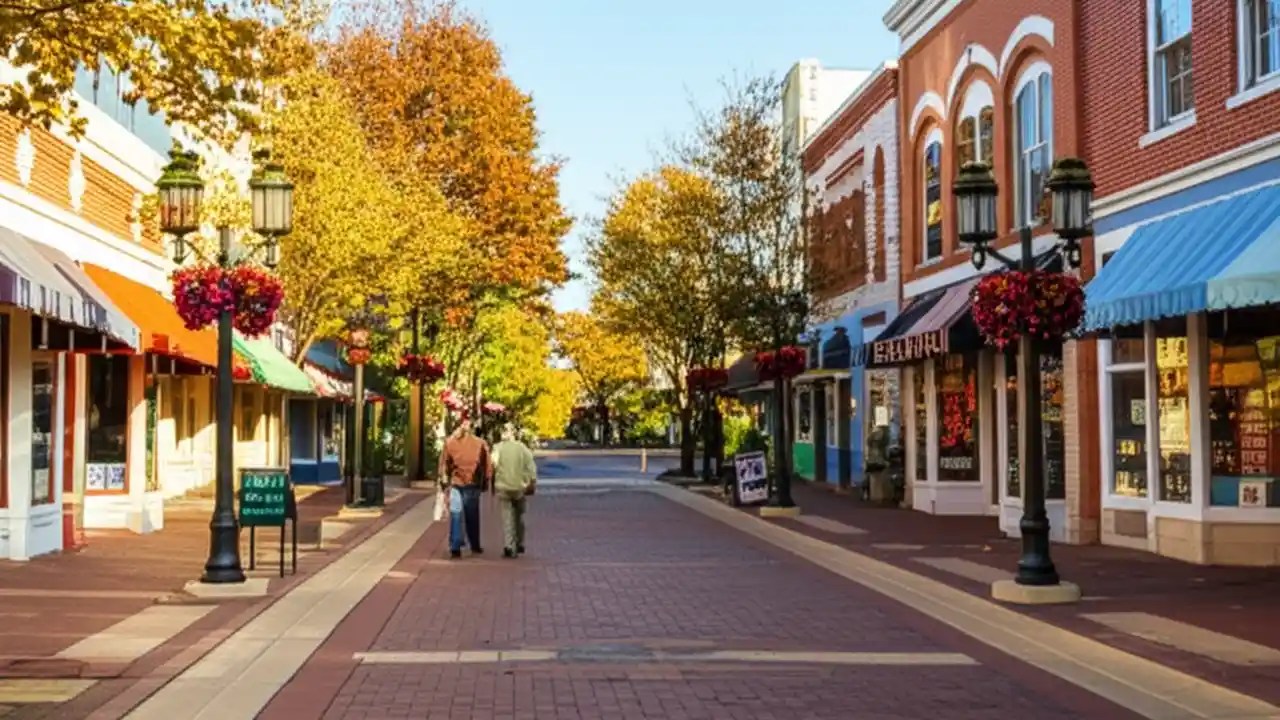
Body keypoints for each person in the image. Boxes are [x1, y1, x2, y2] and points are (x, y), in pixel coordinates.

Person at [441, 415, 491, 558]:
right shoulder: (480, 443)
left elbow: (444, 463)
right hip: (473, 483)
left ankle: (455, 545)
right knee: (472, 515)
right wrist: (487, 480)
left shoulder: (449, 442)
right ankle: (474, 544)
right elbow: (487, 465)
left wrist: (443, 481)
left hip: (456, 482)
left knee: (456, 514)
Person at [491, 423, 536, 558]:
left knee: (507, 517)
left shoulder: (498, 448)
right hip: (520, 487)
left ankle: (509, 546)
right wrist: (532, 481)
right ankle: (520, 542)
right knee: (519, 516)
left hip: (503, 486)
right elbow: (531, 467)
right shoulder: (522, 448)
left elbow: (492, 464)